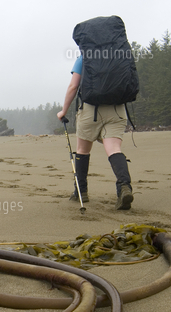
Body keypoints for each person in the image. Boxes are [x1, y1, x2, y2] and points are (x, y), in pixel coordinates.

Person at [56, 54, 133, 210]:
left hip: (90, 109)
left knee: (82, 150)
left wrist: (63, 111)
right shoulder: (119, 55)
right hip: (117, 108)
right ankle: (124, 187)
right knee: (114, 149)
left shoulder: (84, 57)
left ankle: (81, 191)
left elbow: (73, 86)